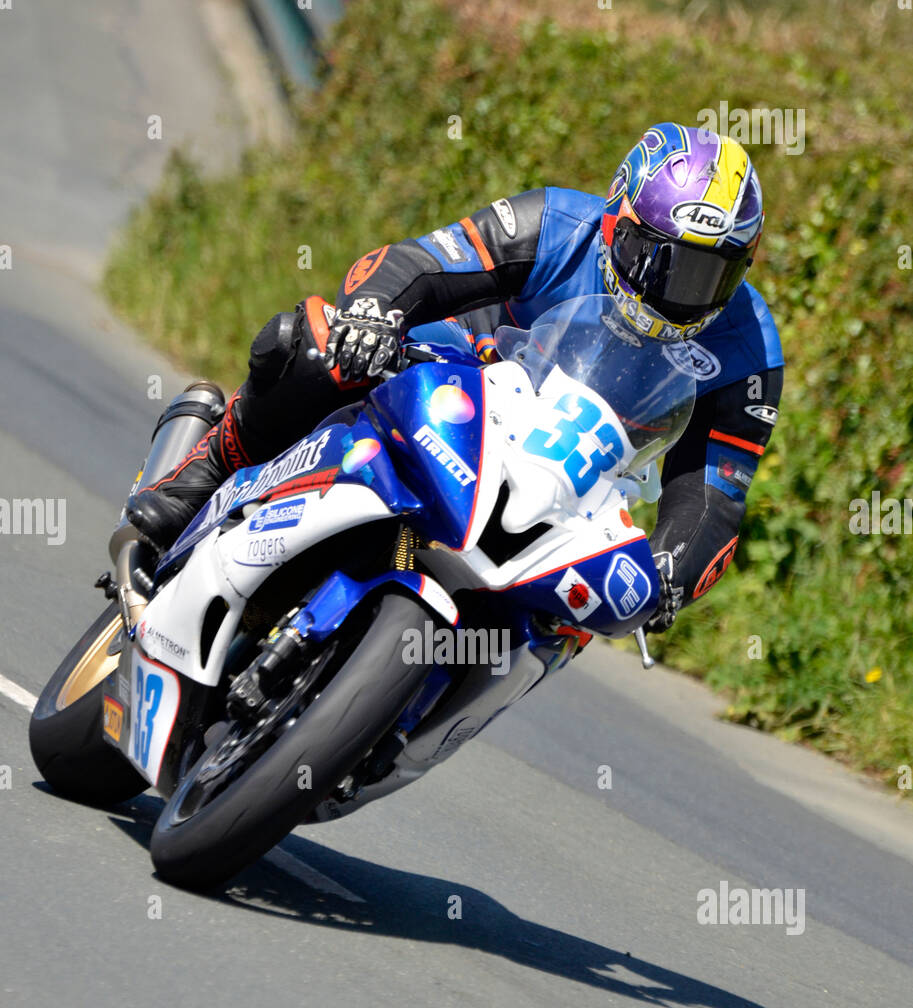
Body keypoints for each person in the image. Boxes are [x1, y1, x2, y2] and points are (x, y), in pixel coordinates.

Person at [127, 122, 783, 632]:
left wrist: (669, 572)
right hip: (457, 384)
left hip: (569, 491)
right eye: (658, 260)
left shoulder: (750, 347)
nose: (676, 292)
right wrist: (376, 315)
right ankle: (208, 469)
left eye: (707, 274)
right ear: (617, 220)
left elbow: (715, 492)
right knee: (317, 342)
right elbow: (417, 262)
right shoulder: (554, 222)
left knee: (586, 616)